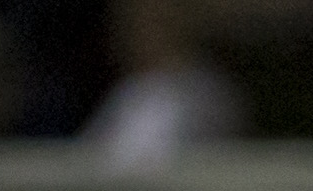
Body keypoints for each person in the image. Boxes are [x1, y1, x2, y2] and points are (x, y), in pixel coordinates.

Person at [83, 0, 243, 166]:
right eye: (133, 24)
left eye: (153, 22)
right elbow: (83, 160)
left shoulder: (208, 95)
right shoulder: (129, 90)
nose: (138, 33)